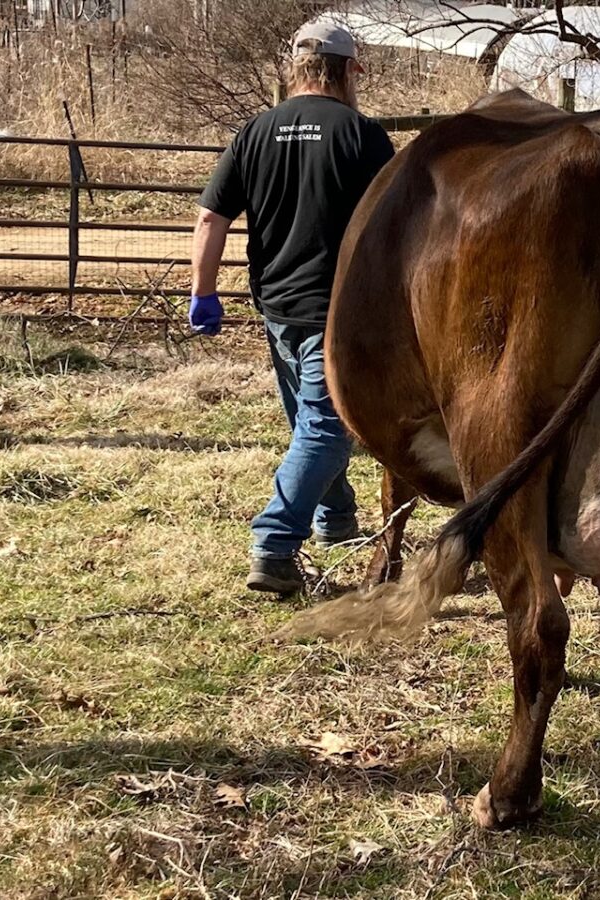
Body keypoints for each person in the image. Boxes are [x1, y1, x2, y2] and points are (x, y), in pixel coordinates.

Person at [189, 23, 395, 594]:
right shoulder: (362, 135)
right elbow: (399, 227)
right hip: (338, 312)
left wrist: (203, 291)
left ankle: (334, 519)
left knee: (309, 424)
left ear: (296, 69)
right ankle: (275, 543)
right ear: (351, 70)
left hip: (276, 305)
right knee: (327, 430)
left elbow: (211, 217)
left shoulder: (254, 131)